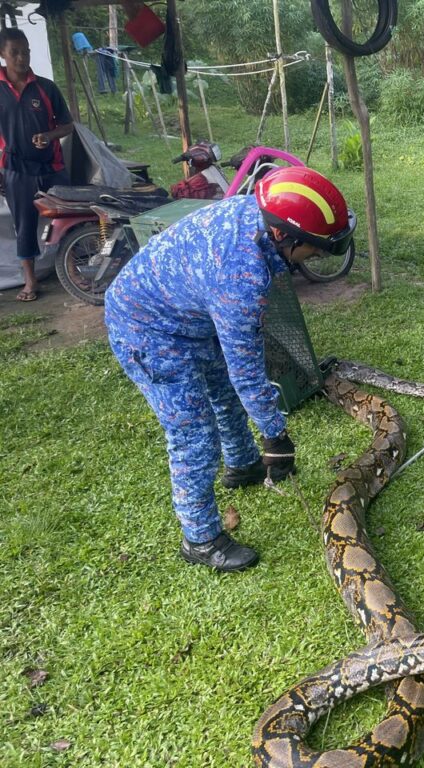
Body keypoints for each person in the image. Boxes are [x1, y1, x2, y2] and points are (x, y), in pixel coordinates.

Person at [105, 167, 355, 573]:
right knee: (193, 432)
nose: (317, 257)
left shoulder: (255, 214)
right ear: (282, 236)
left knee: (221, 388)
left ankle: (242, 464)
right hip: (147, 329)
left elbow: (233, 376)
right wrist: (276, 436)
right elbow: (248, 371)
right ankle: (200, 539)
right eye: (313, 249)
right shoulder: (241, 276)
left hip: (186, 314)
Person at [0, 28, 74, 302]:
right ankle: (30, 281)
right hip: (15, 168)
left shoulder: (46, 87)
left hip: (51, 165)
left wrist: (49, 136)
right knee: (25, 224)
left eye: (26, 51)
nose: (22, 58)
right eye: (15, 52)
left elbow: (67, 125)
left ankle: (74, 269)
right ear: (2, 55)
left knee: (68, 216)